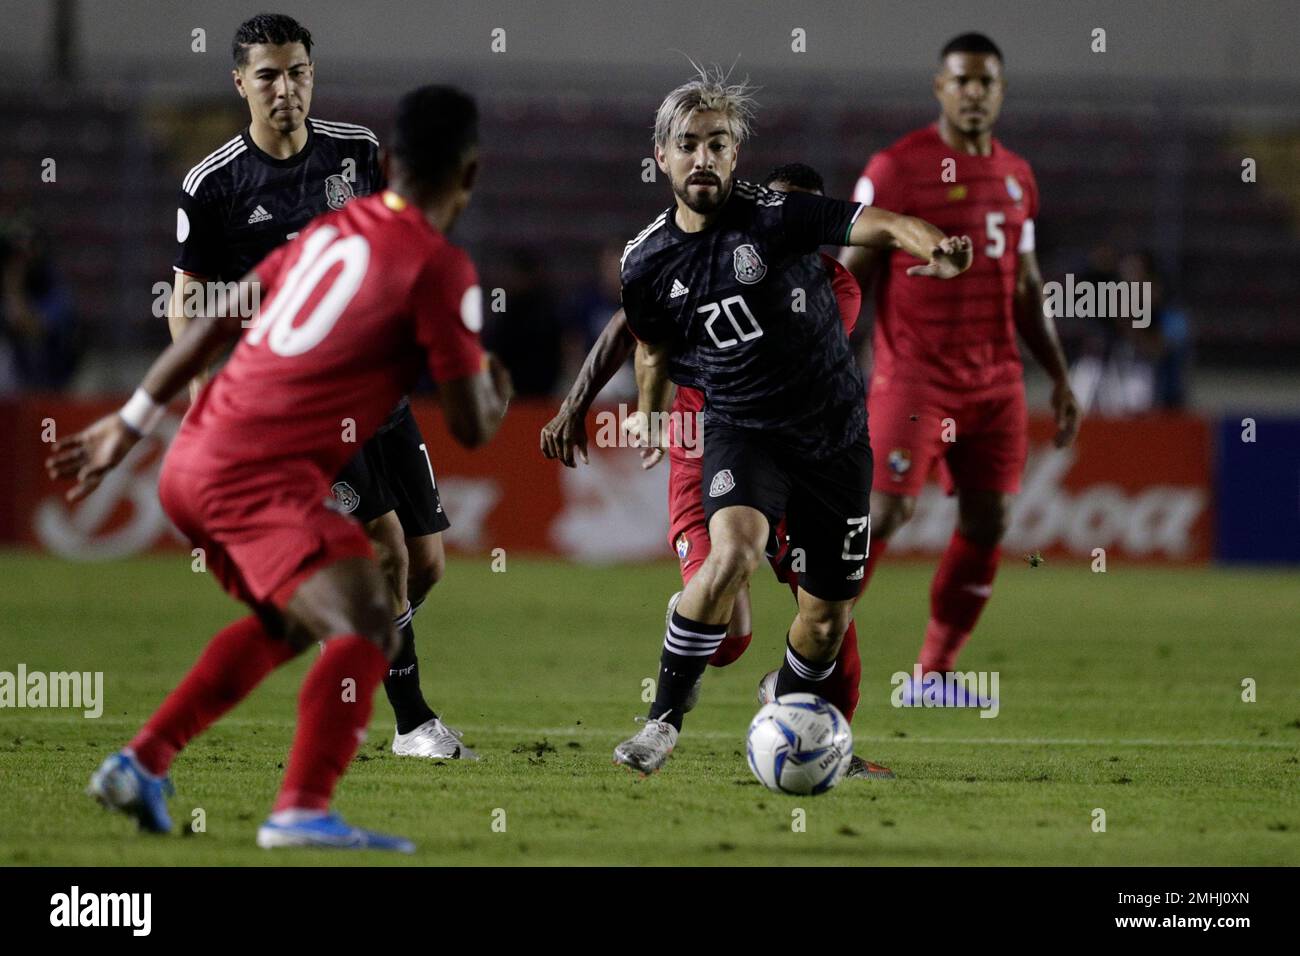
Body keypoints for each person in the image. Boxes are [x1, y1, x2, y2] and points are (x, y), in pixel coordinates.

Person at [47, 86, 511, 851]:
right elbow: (470, 427)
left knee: (289, 622)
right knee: (369, 610)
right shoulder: (441, 267)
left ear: (388, 164)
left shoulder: (332, 230)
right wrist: (494, 383)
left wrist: (128, 425)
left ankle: (142, 761)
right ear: (470, 177)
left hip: (195, 457)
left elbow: (216, 316)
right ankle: (300, 809)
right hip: (259, 471)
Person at [609, 65, 971, 773]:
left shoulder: (778, 216)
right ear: (661, 156)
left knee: (828, 616)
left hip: (834, 438)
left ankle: (792, 714)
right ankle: (661, 723)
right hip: (743, 431)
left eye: (718, 144)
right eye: (688, 144)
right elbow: (650, 348)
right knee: (734, 552)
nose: (703, 158)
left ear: (735, 155)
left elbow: (885, 224)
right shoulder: (646, 262)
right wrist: (651, 418)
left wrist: (942, 249)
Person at [168, 13, 465, 757]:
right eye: (267, 75)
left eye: (296, 71)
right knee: (387, 548)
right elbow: (188, 300)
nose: (284, 88)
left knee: (425, 563)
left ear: (312, 75)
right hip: (299, 407)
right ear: (240, 82)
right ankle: (413, 723)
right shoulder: (213, 186)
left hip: (380, 394)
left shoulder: (357, 152)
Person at [541, 162, 892, 779]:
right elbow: (633, 321)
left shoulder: (834, 287)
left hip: (803, 448)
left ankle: (821, 733)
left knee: (832, 616)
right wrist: (579, 404)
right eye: (778, 213)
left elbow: (775, 349)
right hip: (708, 443)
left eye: (804, 221)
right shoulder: (709, 255)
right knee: (728, 632)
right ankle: (682, 665)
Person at [839, 33, 1080, 701]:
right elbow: (849, 277)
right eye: (962, 81)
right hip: (915, 374)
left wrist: (1057, 377)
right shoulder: (896, 169)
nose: (974, 93)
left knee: (991, 522)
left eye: (986, 82)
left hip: (997, 379)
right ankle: (811, 654)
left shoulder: (1017, 176)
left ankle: (935, 674)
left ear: (1000, 91)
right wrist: (822, 363)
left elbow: (1027, 286)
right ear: (940, 87)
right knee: (884, 512)